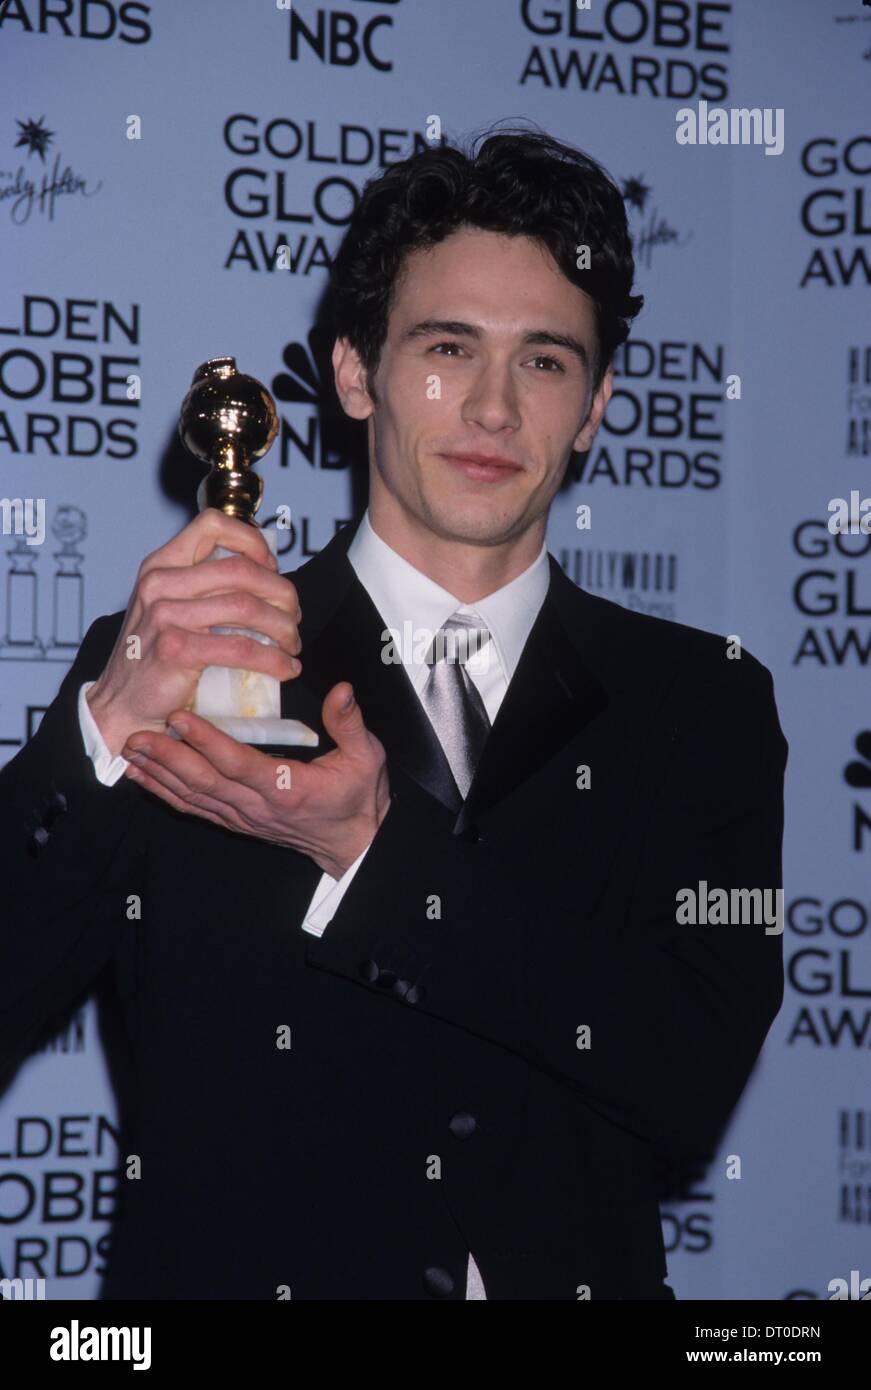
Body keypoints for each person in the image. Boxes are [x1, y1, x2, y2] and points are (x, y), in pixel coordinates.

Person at [0, 128, 787, 1300]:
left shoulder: (700, 699)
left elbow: (685, 1074)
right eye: (445, 347)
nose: (490, 406)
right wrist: (102, 734)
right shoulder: (186, 665)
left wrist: (373, 857)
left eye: (544, 361)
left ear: (597, 406)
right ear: (355, 374)